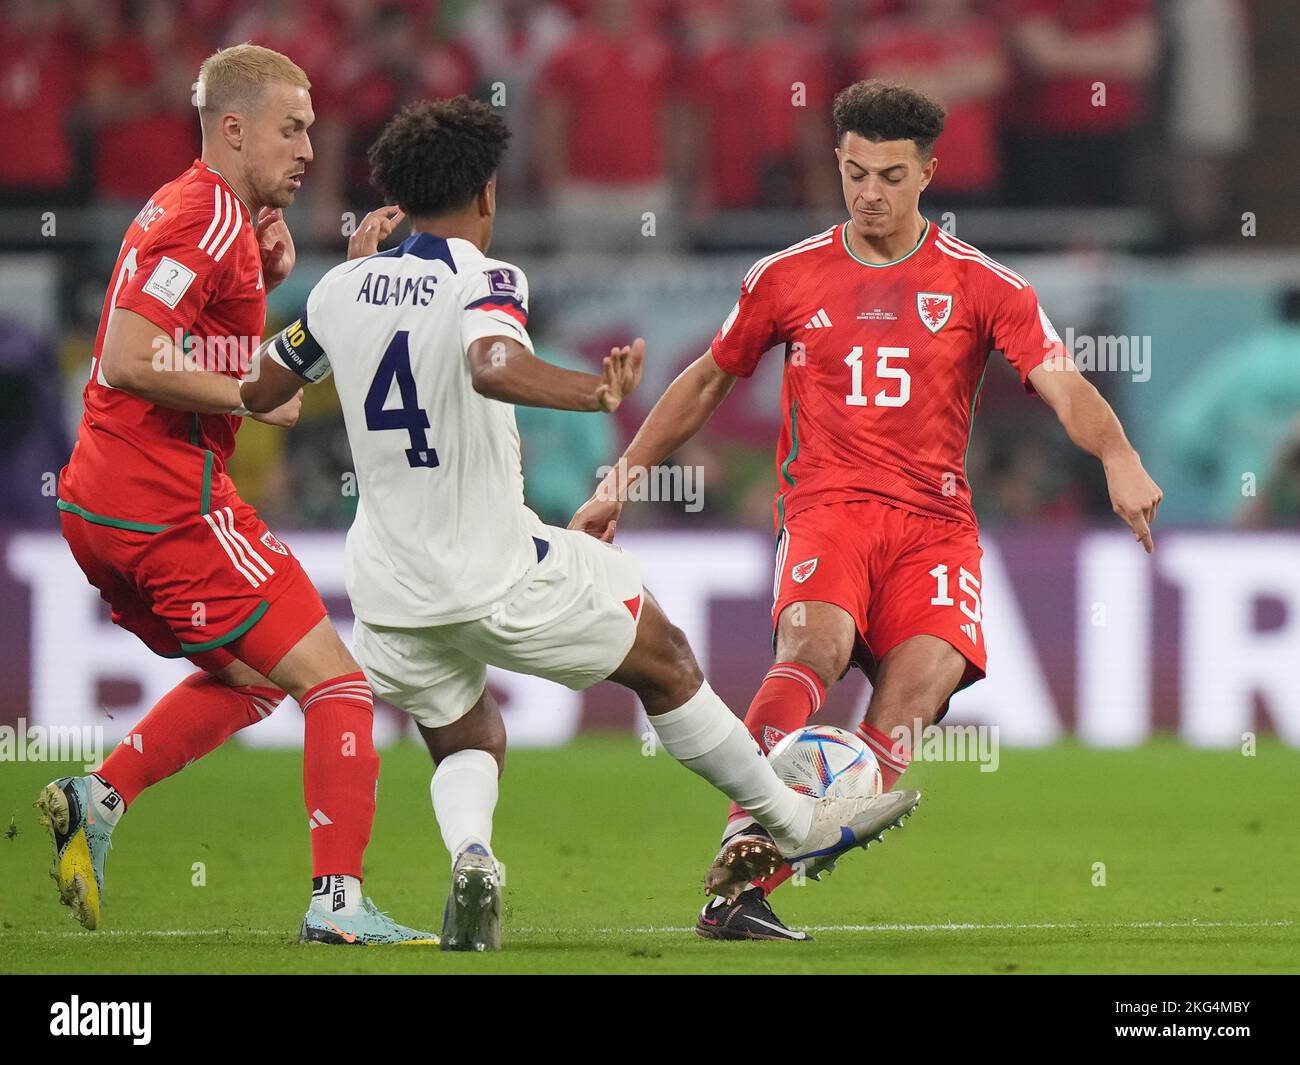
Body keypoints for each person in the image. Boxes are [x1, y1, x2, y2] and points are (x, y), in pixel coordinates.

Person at [239, 96, 921, 952]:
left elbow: (262, 393)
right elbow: (491, 363)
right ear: (486, 195)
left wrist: (350, 290)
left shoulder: (338, 291)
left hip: (388, 582)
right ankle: (793, 821)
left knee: (467, 729)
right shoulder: (487, 277)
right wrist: (588, 390)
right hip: (494, 564)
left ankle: (475, 855)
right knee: (666, 660)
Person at [571, 80, 1164, 941]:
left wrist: (1117, 454)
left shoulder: (982, 285)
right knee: (814, 646)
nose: (868, 193)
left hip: (935, 532)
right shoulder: (786, 276)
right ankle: (744, 840)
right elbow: (706, 378)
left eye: (889, 175)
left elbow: (1062, 384)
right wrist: (621, 478)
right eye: (854, 173)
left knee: (913, 698)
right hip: (828, 509)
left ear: (929, 172)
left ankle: (763, 871)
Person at [42, 43, 434, 946]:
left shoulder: (208, 213)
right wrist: (252, 393)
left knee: (254, 678)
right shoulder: (206, 217)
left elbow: (225, 351)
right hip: (168, 503)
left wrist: (286, 281)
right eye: (290, 129)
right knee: (338, 684)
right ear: (233, 128)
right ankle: (337, 906)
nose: (307, 148)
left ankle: (96, 798)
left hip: (102, 505)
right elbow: (131, 358)